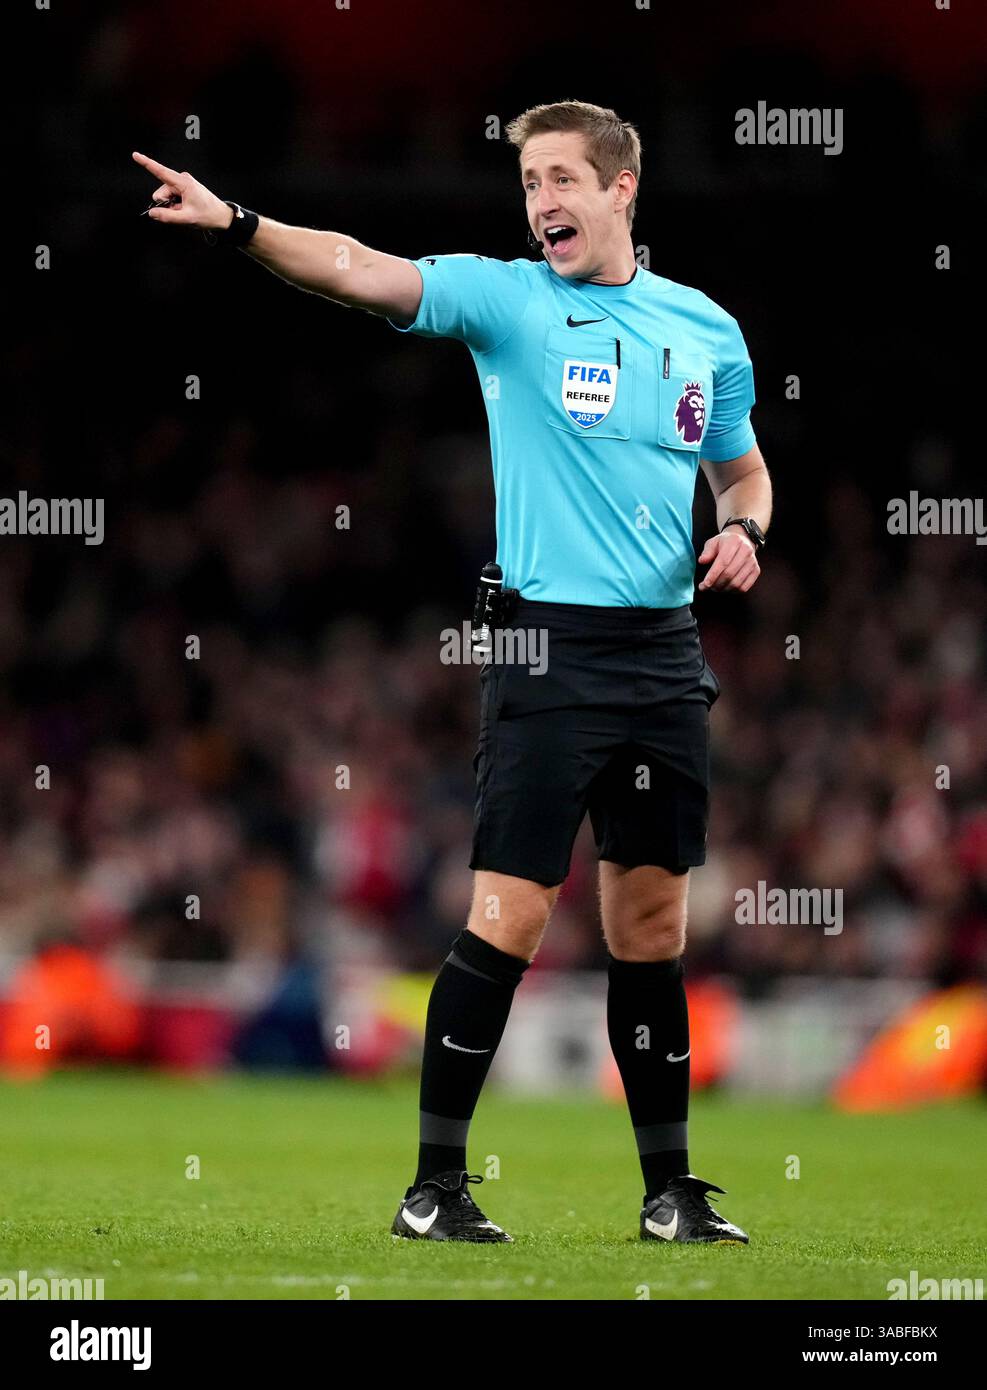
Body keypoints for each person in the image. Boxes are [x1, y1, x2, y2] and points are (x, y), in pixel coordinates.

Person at [132, 98, 772, 1246]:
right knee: (512, 916)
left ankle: (670, 1193)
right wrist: (238, 223)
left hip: (665, 655)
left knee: (652, 925)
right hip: (548, 648)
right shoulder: (512, 302)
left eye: (564, 179)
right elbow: (358, 271)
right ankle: (435, 1185)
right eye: (530, 182)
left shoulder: (706, 329)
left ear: (623, 188)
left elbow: (745, 473)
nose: (543, 202)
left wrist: (748, 531)